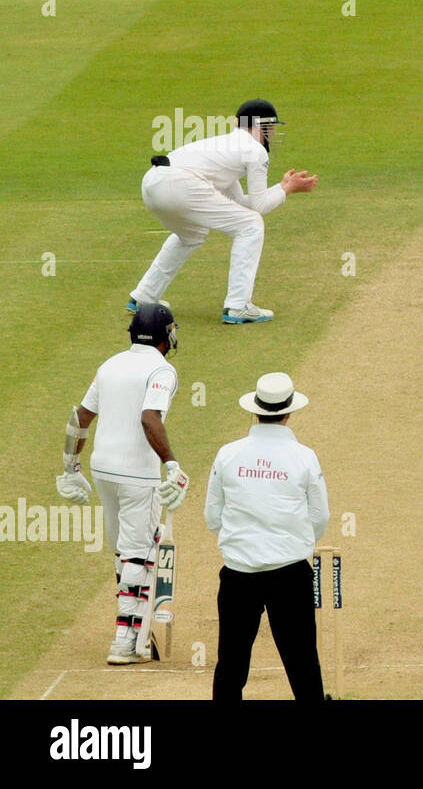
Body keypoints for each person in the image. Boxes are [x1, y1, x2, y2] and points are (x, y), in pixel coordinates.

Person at [58, 302, 189, 665]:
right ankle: (126, 640)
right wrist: (172, 465)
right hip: (138, 473)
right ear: (166, 336)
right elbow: (150, 418)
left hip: (103, 469)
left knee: (126, 550)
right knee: (139, 552)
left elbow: (79, 417)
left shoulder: (110, 364)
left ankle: (133, 627)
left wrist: (70, 467)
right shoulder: (162, 371)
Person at [127, 98, 319, 325]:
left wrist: (282, 187)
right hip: (181, 184)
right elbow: (258, 208)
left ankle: (144, 296)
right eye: (271, 128)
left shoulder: (225, 148)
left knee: (192, 234)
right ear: (260, 126)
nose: (273, 133)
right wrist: (287, 189)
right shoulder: (255, 150)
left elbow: (239, 202)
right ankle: (238, 306)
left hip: (152, 183)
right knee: (251, 225)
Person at [205, 372, 329, 700]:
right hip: (290, 574)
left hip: (238, 575)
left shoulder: (227, 454)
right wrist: (293, 543)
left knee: (230, 665)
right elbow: (320, 518)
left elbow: (212, 518)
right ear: (289, 412)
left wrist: (244, 542)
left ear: (255, 409)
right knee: (302, 662)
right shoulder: (304, 456)